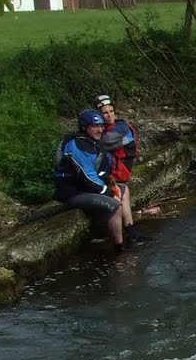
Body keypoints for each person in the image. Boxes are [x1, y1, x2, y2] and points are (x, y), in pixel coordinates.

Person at [54, 108, 129, 252]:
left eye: (101, 126)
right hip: (73, 194)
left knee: (124, 189)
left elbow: (99, 172)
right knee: (114, 205)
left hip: (85, 190)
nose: (100, 130)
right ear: (84, 127)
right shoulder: (77, 145)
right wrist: (108, 192)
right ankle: (119, 248)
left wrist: (111, 184)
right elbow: (88, 177)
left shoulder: (92, 144)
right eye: (95, 126)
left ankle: (130, 230)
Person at [94, 93, 142, 238]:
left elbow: (104, 143)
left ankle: (126, 233)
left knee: (119, 192)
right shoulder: (104, 129)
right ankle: (130, 230)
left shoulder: (121, 129)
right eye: (105, 113)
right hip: (113, 170)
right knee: (123, 191)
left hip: (120, 171)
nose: (109, 115)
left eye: (111, 112)